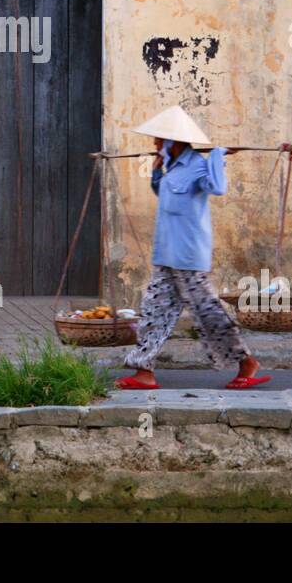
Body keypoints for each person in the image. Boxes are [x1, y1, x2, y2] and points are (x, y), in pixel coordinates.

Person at [116, 105, 272, 391]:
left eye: (158, 140)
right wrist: (155, 172)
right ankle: (143, 371)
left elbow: (217, 187)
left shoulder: (199, 166)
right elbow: (164, 198)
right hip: (166, 255)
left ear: (172, 143)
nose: (154, 144)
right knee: (154, 311)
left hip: (188, 257)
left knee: (208, 313)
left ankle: (247, 363)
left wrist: (216, 156)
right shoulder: (172, 169)